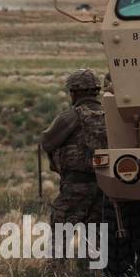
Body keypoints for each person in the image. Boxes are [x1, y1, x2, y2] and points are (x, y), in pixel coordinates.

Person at [40, 68, 109, 227]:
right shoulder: (111, 115)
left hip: (76, 187)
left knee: (60, 236)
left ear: (74, 92)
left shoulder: (71, 117)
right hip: (106, 187)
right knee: (97, 240)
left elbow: (47, 142)